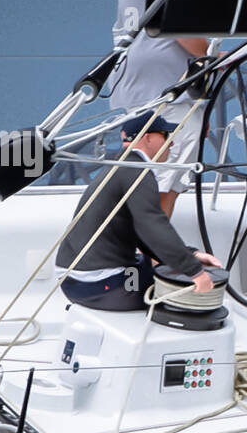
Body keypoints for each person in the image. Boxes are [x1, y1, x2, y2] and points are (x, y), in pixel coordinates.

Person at [110, 0, 215, 218]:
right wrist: (211, 54)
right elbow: (182, 30)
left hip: (136, 81)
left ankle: (153, 252)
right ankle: (156, 255)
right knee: (169, 173)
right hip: (166, 85)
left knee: (151, 172)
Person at [55, 113, 220, 311]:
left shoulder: (122, 167)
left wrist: (190, 255)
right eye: (165, 135)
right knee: (177, 283)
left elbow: (142, 232)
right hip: (103, 286)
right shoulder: (137, 173)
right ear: (147, 137)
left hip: (76, 282)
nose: (171, 143)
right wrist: (195, 273)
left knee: (159, 267)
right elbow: (153, 227)